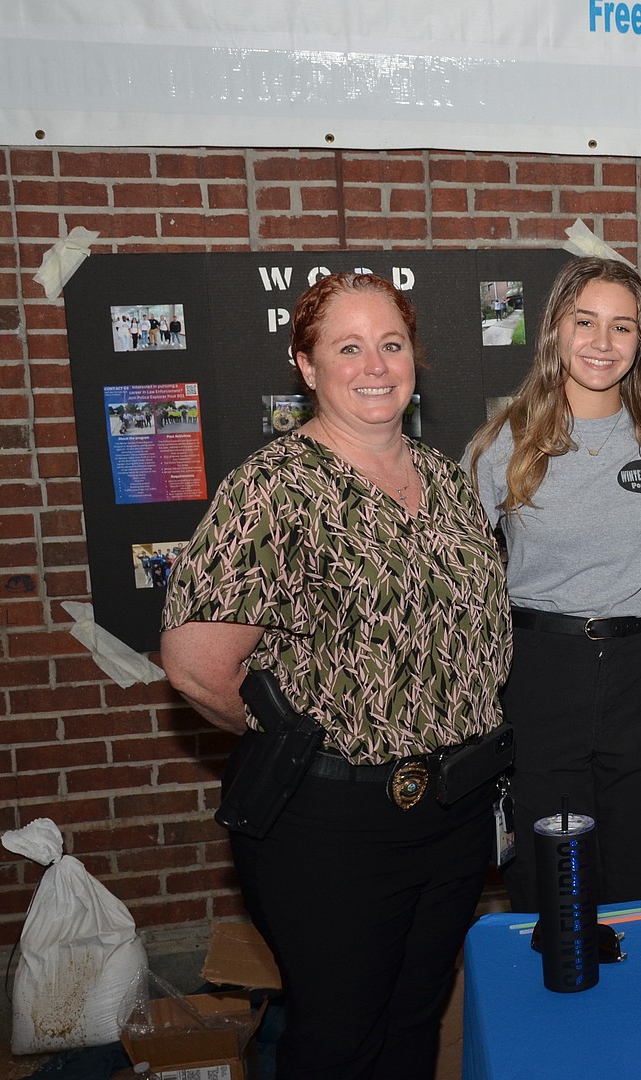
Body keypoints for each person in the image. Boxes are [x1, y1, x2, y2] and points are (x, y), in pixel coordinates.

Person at [159, 272, 511, 1080]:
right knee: (339, 1036)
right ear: (306, 366)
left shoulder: (448, 484)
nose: (375, 365)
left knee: (416, 1019)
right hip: (329, 828)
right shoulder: (277, 488)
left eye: (390, 344)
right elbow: (196, 667)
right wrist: (295, 744)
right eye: (347, 347)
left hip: (453, 813)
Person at [466, 257, 641, 908]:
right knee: (550, 874)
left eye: (622, 327)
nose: (602, 342)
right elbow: (471, 578)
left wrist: (626, 619)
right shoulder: (500, 446)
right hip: (540, 673)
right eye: (585, 322)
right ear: (555, 333)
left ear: (640, 342)